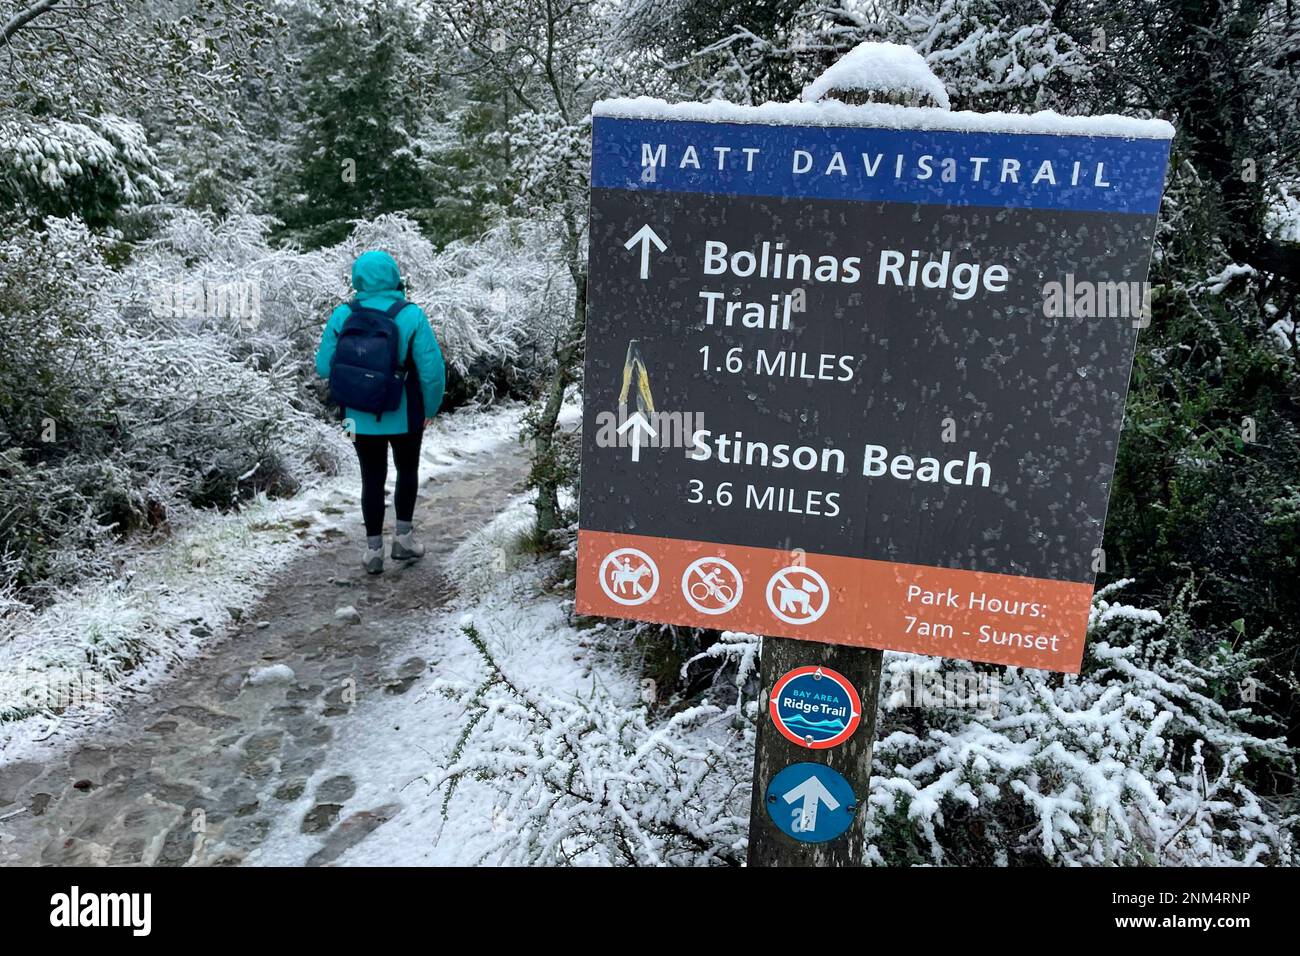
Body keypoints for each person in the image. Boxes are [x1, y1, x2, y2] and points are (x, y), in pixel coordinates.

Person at [315, 250, 445, 574]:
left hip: (354, 416)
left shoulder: (343, 314)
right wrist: (430, 408)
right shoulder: (411, 314)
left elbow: (321, 367)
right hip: (404, 412)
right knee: (407, 470)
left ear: (356, 278)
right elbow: (431, 370)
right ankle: (404, 541)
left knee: (370, 477)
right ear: (394, 275)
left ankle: (373, 551)